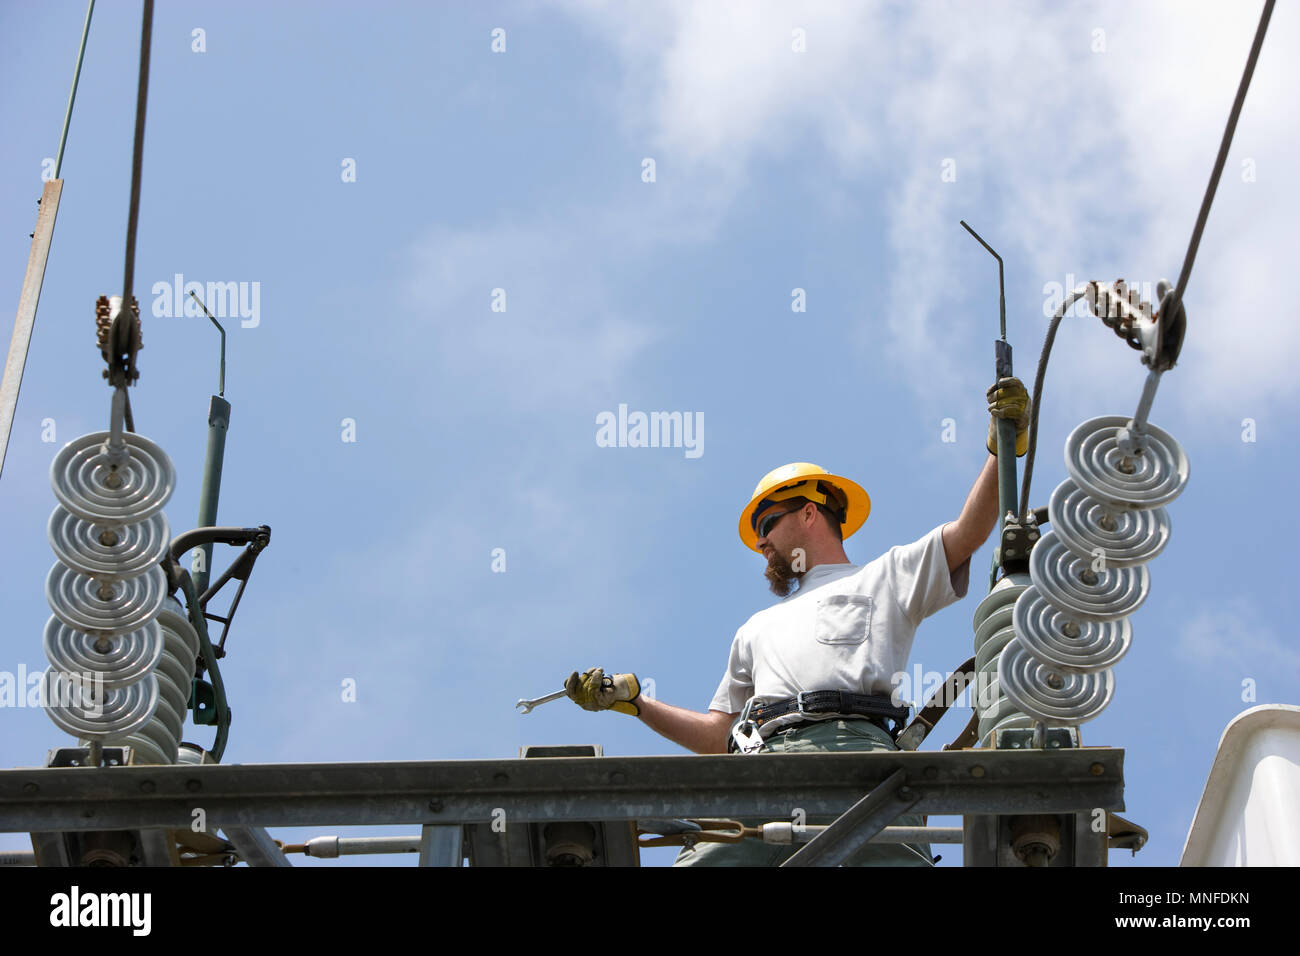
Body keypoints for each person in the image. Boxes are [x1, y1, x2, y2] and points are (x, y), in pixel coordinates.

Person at [564, 378, 1032, 865]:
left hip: (858, 757)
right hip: (760, 769)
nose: (761, 543)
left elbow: (969, 531)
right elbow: (717, 735)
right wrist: (636, 702)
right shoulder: (755, 629)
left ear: (810, 513)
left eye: (766, 524)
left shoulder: (885, 576)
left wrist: (1005, 440)